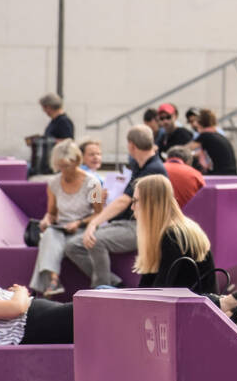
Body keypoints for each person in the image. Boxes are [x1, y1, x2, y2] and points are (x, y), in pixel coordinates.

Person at [131, 174, 237, 322]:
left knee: (104, 289)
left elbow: (161, 290)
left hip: (194, 313)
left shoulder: (172, 236)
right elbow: (149, 285)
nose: (132, 207)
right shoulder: (177, 228)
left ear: (150, 203)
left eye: (135, 201)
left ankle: (227, 305)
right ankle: (229, 310)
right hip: (194, 302)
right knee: (106, 289)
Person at [63, 125, 168, 286]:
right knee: (73, 246)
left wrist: (93, 221)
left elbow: (123, 201)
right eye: (92, 154)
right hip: (120, 222)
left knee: (95, 240)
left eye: (98, 154)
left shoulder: (151, 168)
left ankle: (103, 292)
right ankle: (114, 284)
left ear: (131, 145)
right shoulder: (137, 167)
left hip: (141, 226)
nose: (96, 157)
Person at [28, 140, 106, 297]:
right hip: (60, 228)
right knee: (49, 235)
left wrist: (79, 222)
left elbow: (99, 214)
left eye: (67, 166)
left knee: (67, 243)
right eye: (60, 167)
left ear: (77, 161)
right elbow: (52, 213)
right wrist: (46, 220)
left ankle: (44, 288)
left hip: (84, 227)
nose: (63, 171)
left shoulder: (93, 183)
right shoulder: (54, 183)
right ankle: (54, 280)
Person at [0, 281, 75, 344]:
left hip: (33, 318)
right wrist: (21, 291)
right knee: (89, 313)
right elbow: (17, 308)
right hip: (31, 322)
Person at [24, 93, 75, 175]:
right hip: (48, 161)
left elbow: (68, 142)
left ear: (48, 107)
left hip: (55, 163)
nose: (44, 111)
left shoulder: (64, 121)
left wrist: (46, 141)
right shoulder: (54, 121)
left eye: (44, 108)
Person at [189, 110, 237, 175]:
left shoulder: (205, 135)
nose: (194, 124)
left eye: (195, 121)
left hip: (220, 174)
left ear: (199, 123)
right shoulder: (218, 135)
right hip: (231, 173)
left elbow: (185, 149)